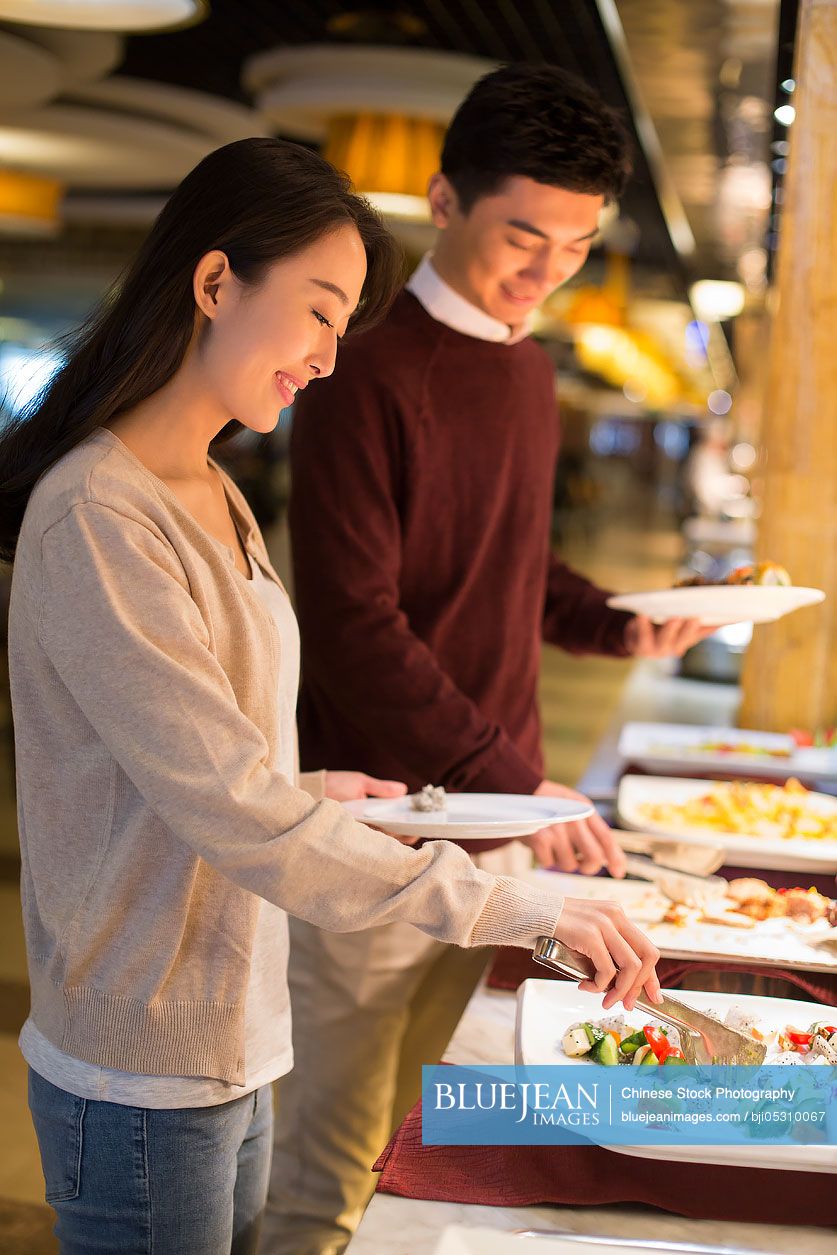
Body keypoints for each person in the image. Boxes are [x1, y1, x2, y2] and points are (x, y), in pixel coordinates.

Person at [0, 138, 662, 1255]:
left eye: (343, 322)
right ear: (215, 284)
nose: (328, 355)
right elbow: (227, 805)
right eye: (317, 312)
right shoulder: (99, 516)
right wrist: (521, 910)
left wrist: (314, 786)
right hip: (144, 1059)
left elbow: (208, 766)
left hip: (238, 1026)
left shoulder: (213, 489)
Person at [268, 67, 711, 1254]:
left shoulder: (524, 366)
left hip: (504, 809)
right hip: (377, 825)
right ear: (443, 199)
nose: (547, 269)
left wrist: (626, 623)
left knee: (457, 1111)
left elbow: (513, 571)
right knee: (326, 1136)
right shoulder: (361, 365)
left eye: (575, 245)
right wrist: (512, 776)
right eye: (525, 234)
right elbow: (357, 624)